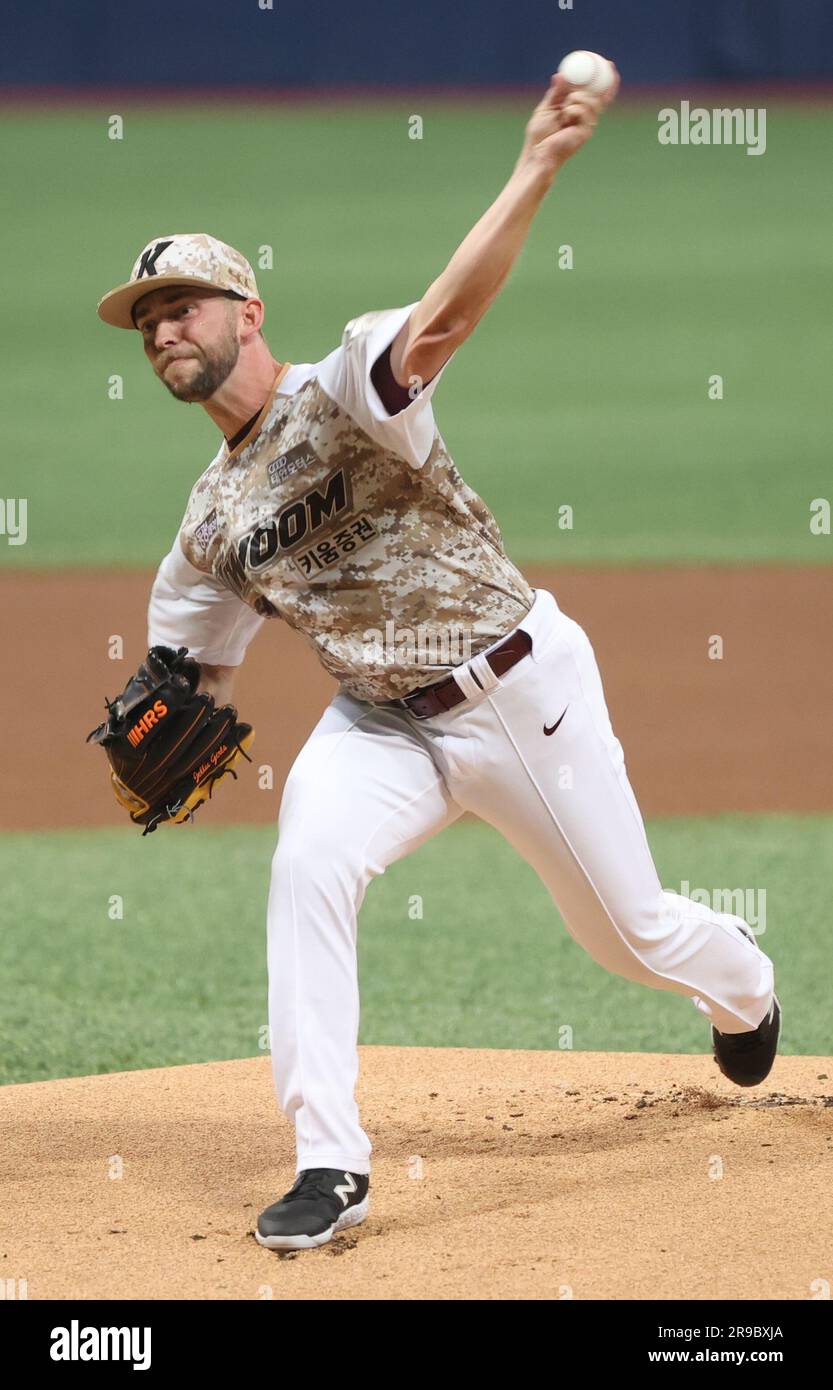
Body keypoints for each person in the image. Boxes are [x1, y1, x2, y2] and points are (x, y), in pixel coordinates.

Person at [96, 66, 778, 1252]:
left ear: (246, 313)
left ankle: (745, 987)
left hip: (517, 688)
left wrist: (535, 165)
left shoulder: (347, 388)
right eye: (149, 316)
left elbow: (443, 318)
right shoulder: (208, 521)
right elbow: (187, 677)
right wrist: (170, 724)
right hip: (380, 726)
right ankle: (327, 1162)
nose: (164, 327)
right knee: (306, 862)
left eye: (186, 304)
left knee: (628, 935)